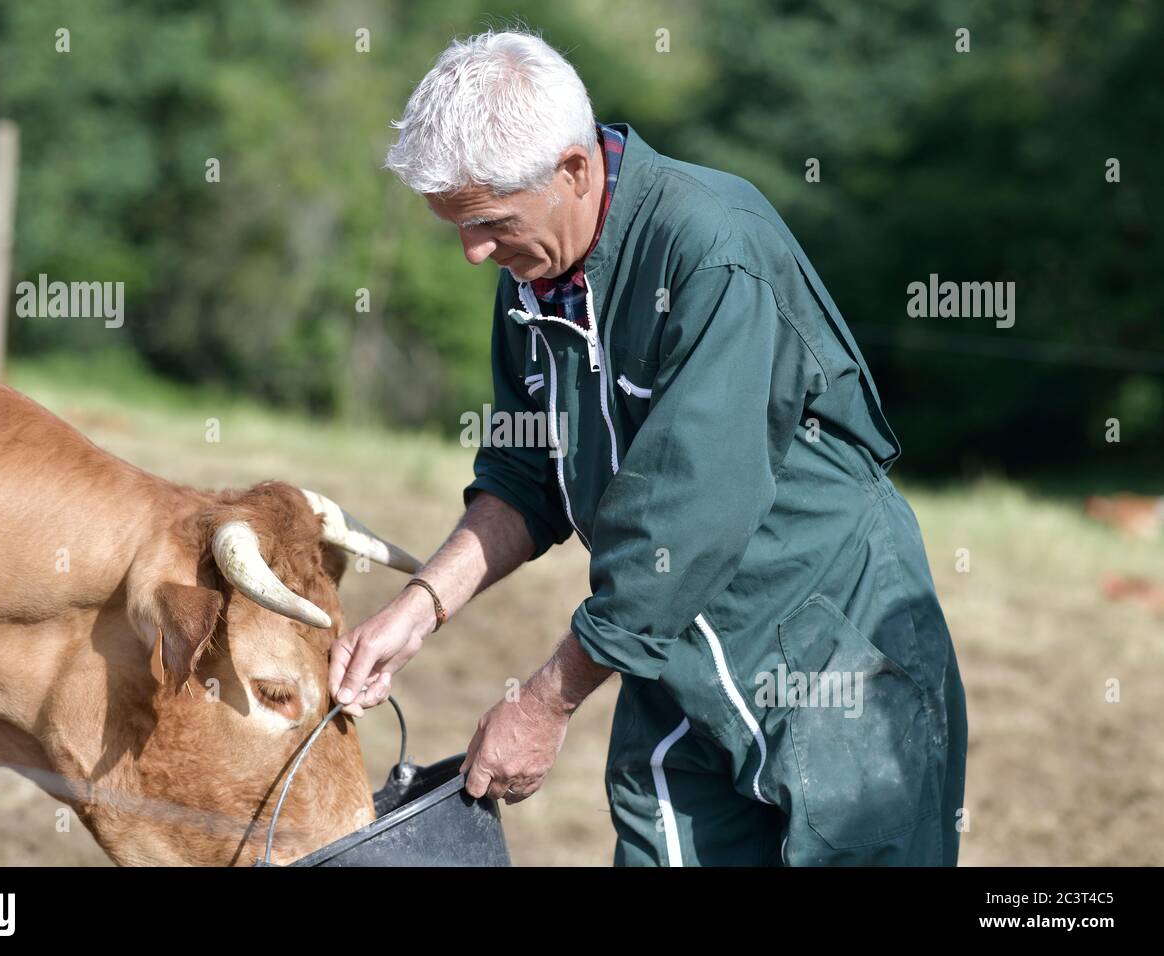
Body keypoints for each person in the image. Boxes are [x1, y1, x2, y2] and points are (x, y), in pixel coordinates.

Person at [330, 29, 968, 866]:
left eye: (486, 222)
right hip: (673, 675)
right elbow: (529, 474)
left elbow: (688, 515)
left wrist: (544, 704)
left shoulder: (715, 250)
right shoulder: (532, 278)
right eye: (455, 224)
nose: (473, 252)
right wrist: (420, 610)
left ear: (573, 170)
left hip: (832, 652)